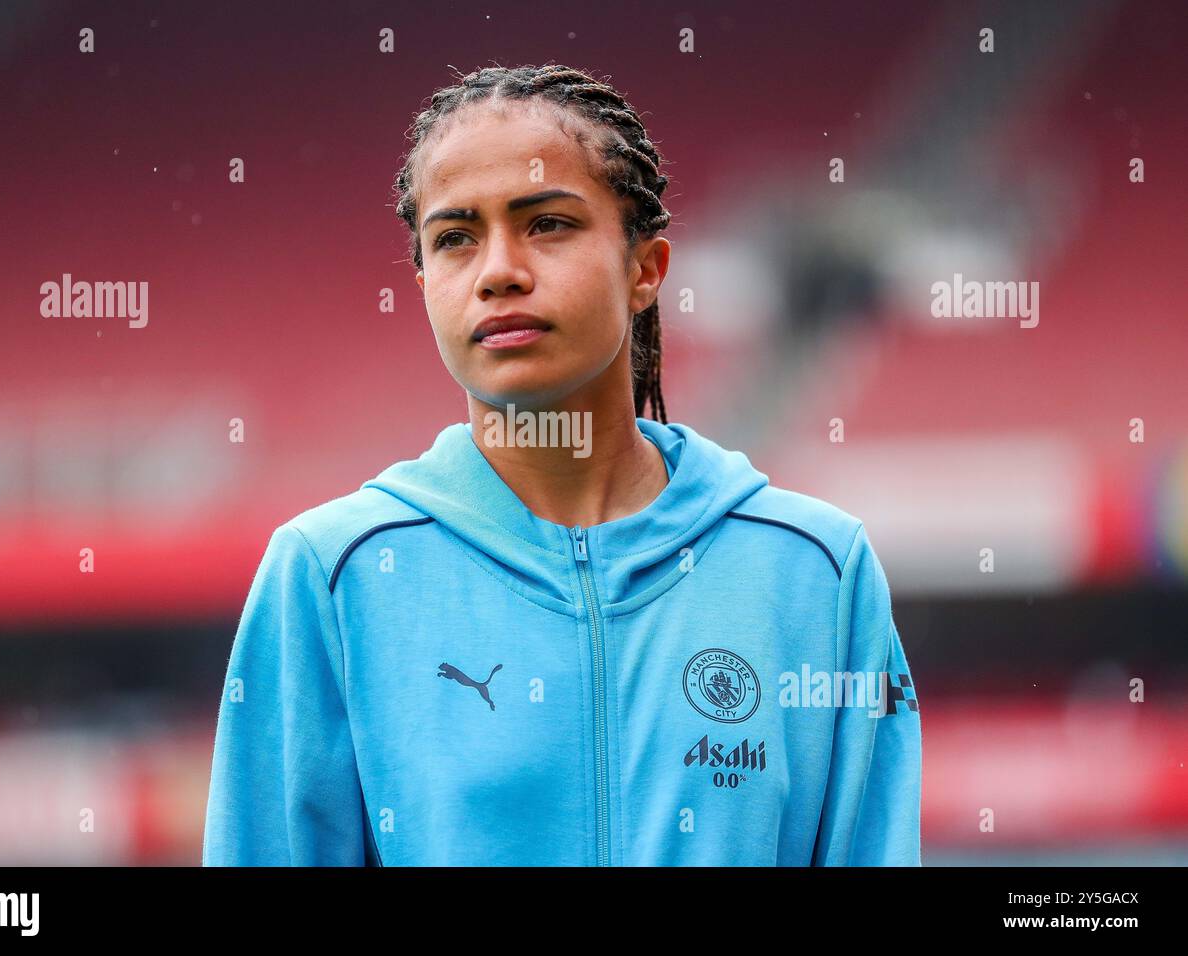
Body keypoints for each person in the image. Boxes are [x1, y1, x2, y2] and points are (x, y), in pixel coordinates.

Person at [202, 63, 921, 866]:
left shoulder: (816, 574)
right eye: (454, 238)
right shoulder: (333, 576)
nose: (498, 270)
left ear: (645, 269)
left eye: (546, 224)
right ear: (424, 283)